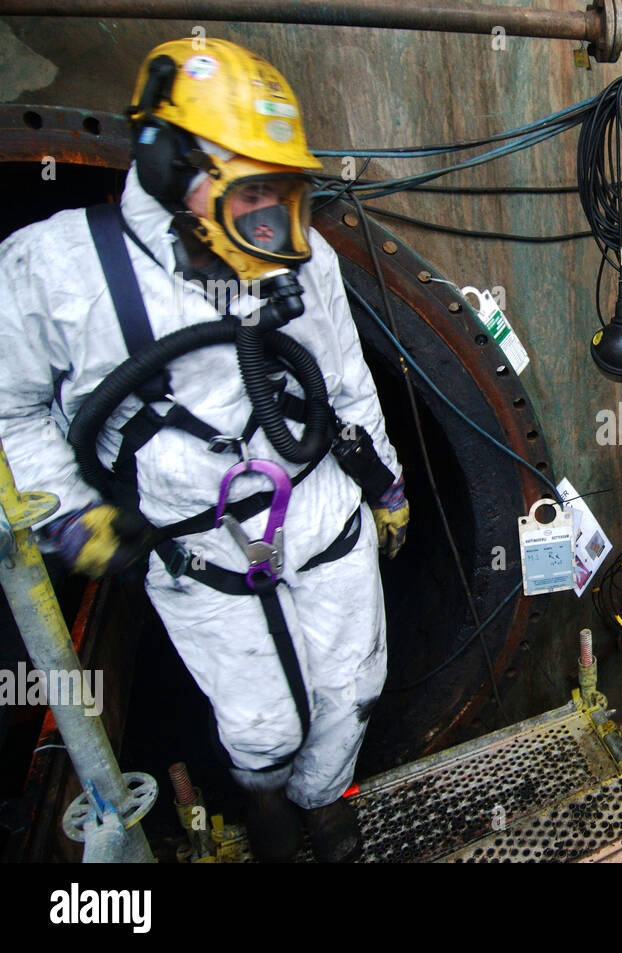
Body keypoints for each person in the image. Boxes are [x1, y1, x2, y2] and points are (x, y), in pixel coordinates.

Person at [0, 38, 409, 862]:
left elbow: (345, 380)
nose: (271, 218)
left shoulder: (302, 257)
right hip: (194, 543)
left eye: (282, 192)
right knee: (264, 721)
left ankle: (326, 808)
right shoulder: (54, 271)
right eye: (251, 190)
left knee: (354, 686)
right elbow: (9, 414)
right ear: (165, 161)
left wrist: (388, 487)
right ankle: (265, 805)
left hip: (318, 505)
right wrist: (75, 517)